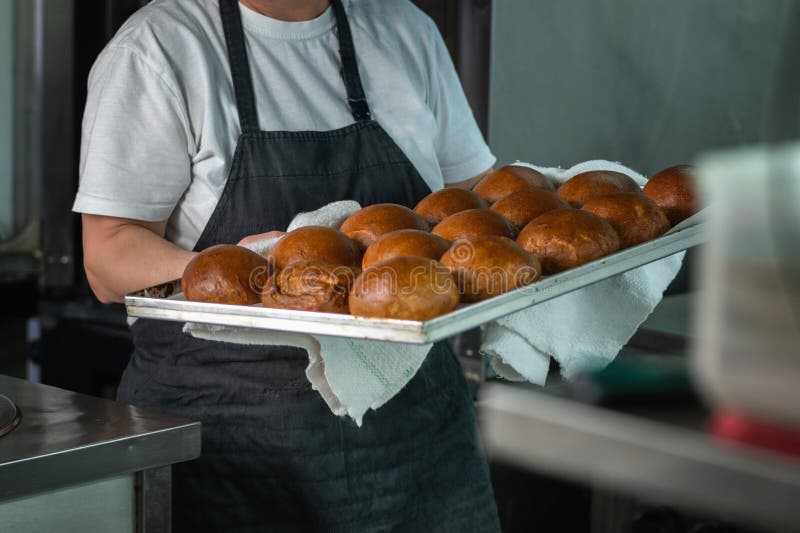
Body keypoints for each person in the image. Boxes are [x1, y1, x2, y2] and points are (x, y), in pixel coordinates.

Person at [74, 0, 500, 531]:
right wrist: (245, 271)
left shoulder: (404, 28)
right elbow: (108, 256)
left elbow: (472, 202)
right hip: (235, 442)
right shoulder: (160, 47)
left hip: (418, 437)